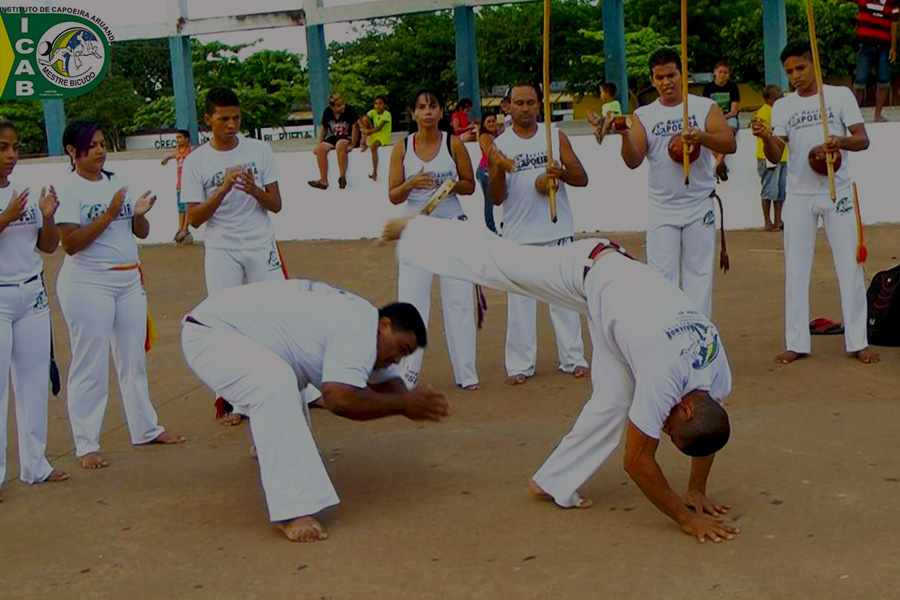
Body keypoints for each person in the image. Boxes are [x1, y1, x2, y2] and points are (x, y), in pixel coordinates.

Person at [383, 215, 740, 544]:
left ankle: (551, 482)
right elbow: (636, 462)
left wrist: (696, 490)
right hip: (584, 268)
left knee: (615, 398)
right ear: (687, 410)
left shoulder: (716, 376)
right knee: (500, 264)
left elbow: (709, 433)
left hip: (617, 303)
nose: (663, 428)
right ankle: (417, 230)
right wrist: (685, 518)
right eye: (670, 430)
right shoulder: (664, 375)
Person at [180, 280, 450, 541]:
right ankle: (291, 509)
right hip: (209, 334)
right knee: (273, 381)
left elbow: (386, 381)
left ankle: (269, 446)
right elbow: (339, 399)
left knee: (280, 378)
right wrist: (404, 405)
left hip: (232, 332)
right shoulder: (358, 329)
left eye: (404, 356)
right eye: (400, 349)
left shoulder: (365, 324)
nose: (398, 359)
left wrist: (410, 399)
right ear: (385, 325)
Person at [55, 121, 184, 470]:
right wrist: (110, 214)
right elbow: (70, 244)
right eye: (92, 145)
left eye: (101, 143)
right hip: (88, 282)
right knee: (91, 362)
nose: (100, 150)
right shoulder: (68, 188)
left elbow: (139, 231)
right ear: (72, 151)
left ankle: (145, 428)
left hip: (127, 280)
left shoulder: (117, 181)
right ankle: (86, 443)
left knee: (133, 358)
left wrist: (137, 215)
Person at [752, 41, 879, 365]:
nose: (795, 75)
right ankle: (796, 341)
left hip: (838, 191)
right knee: (796, 269)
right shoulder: (783, 106)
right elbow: (775, 155)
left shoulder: (839, 96)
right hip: (798, 195)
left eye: (801, 68)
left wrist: (841, 141)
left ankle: (858, 341)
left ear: (814, 65)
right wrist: (765, 137)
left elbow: (862, 139)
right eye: (789, 71)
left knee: (850, 267)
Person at [180, 87, 289, 425]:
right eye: (224, 118)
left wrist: (253, 189)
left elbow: (276, 204)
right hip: (222, 248)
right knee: (225, 322)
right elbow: (194, 219)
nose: (231, 125)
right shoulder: (196, 161)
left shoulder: (259, 150)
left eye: (236, 118)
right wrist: (224, 187)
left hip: (260, 243)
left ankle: (288, 388)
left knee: (274, 316)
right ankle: (233, 399)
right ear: (208, 120)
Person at [614, 48, 737, 317]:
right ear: (652, 80)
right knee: (661, 278)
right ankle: (667, 332)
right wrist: (624, 136)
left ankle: (698, 334)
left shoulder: (704, 107)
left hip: (699, 204)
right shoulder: (644, 115)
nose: (666, 82)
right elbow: (633, 160)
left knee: (698, 277)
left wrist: (701, 137)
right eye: (660, 77)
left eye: (671, 75)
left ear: (683, 75)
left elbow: (729, 143)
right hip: (663, 207)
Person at [487, 82, 590, 385]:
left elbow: (582, 178)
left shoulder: (554, 137)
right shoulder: (500, 145)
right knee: (520, 305)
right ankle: (520, 364)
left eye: (531, 102)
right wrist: (498, 169)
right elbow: (497, 198)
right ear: (508, 107)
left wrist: (561, 173)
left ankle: (573, 358)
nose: (525, 108)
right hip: (519, 235)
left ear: (539, 105)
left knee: (565, 299)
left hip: (557, 229)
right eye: (519, 103)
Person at [388, 90, 479, 391]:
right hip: (416, 231)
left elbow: (470, 185)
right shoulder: (402, 148)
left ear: (441, 112)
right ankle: (407, 373)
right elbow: (393, 195)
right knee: (411, 303)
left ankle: (466, 373)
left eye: (433, 106)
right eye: (421, 107)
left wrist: (452, 186)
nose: (427, 112)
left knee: (458, 302)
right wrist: (411, 184)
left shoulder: (453, 144)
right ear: (413, 113)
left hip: (451, 227)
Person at [0, 120, 69, 502]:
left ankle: (35, 463)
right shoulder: (12, 203)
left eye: (15, 147)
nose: (11, 155)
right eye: (2, 148)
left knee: (33, 380)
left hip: (31, 292)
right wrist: (6, 216)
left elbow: (48, 245)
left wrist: (47, 216)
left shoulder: (22, 191)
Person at [851, 0, 899, 123]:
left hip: (884, 46)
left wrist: (893, 47)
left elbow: (894, 22)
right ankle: (853, 116)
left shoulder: (892, 2)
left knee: (884, 79)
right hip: (865, 45)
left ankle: (878, 115)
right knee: (860, 80)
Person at [753, 85, 787, 231]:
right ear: (769, 99)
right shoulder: (763, 113)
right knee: (769, 189)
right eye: (778, 97)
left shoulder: (779, 112)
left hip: (783, 155)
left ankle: (778, 220)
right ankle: (768, 221)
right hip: (766, 157)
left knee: (781, 190)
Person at [308, 94, 359, 190]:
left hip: (346, 136)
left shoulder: (349, 110)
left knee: (340, 145)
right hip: (334, 137)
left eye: (343, 104)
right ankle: (323, 180)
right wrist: (320, 143)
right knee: (321, 149)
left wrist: (353, 143)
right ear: (332, 107)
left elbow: (355, 126)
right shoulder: (327, 112)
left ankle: (342, 176)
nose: (342, 107)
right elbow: (324, 128)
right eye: (339, 106)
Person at [702, 60, 741, 181]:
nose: (722, 75)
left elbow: (734, 110)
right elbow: (705, 108)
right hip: (713, 118)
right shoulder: (708, 88)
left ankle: (717, 165)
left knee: (729, 133)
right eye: (720, 72)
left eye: (725, 72)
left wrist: (723, 118)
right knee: (709, 137)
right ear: (715, 72)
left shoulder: (733, 87)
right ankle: (721, 164)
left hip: (729, 117)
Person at [160, 128, 194, 244]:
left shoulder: (191, 152)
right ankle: (180, 227)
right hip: (180, 184)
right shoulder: (179, 150)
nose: (177, 140)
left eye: (180, 137)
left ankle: (185, 228)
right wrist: (167, 158)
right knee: (180, 207)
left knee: (187, 207)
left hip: (188, 183)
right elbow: (176, 155)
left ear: (186, 139)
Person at [476, 112, 501, 233]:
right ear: (484, 124)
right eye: (488, 121)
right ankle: (491, 229)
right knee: (489, 201)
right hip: (486, 170)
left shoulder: (495, 135)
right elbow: (490, 154)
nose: (491, 124)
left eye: (493, 121)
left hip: (493, 170)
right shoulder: (485, 136)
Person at [359, 95, 392, 181]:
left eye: (380, 104)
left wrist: (367, 131)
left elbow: (379, 128)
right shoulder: (373, 112)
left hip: (382, 136)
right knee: (364, 119)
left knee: (374, 147)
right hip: (373, 134)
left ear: (385, 105)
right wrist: (364, 129)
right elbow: (362, 119)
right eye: (376, 104)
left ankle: (375, 172)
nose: (378, 106)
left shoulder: (387, 114)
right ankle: (363, 141)